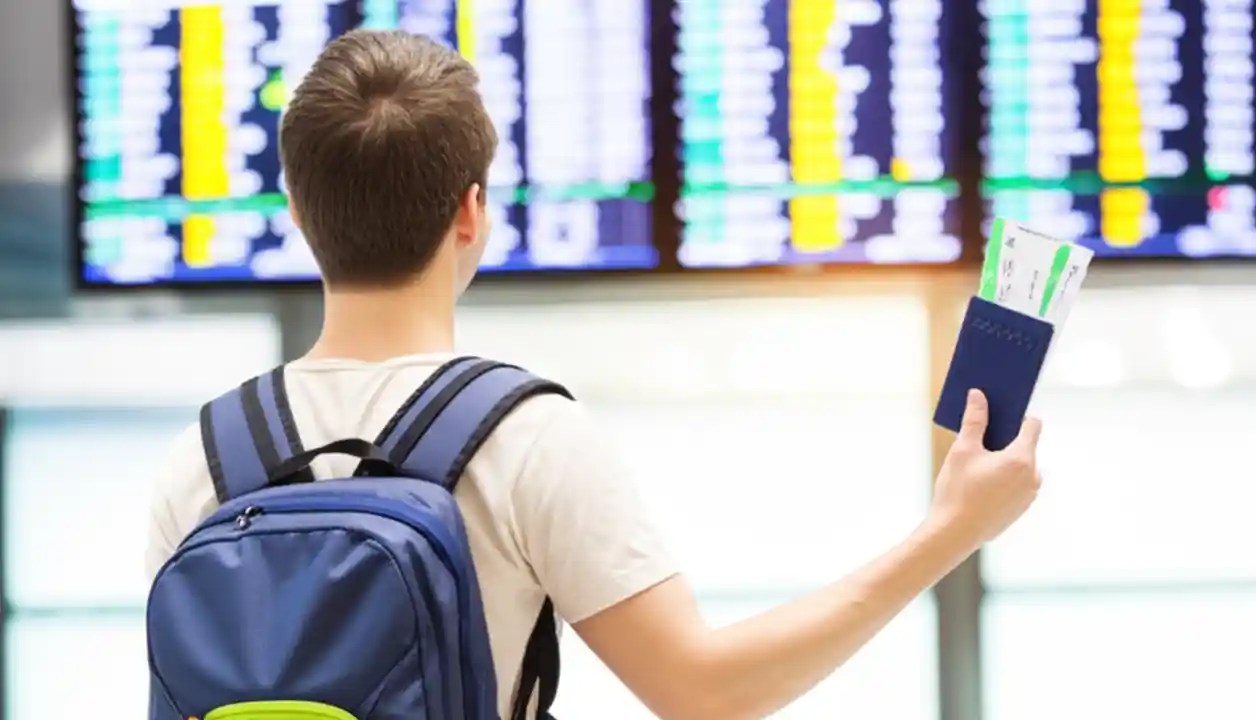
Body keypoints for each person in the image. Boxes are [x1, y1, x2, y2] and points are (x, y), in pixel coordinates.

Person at [145, 29, 1042, 719]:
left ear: (297, 213)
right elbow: (704, 693)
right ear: (472, 213)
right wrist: (950, 530)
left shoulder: (206, 456)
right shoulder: (520, 435)